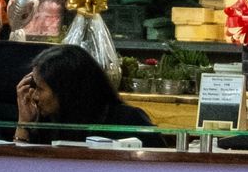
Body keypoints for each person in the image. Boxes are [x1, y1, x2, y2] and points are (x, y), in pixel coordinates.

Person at [15, 44, 153, 142]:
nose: (34, 96)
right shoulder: (47, 123)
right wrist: (23, 123)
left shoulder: (129, 121)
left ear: (66, 90)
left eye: (40, 88)